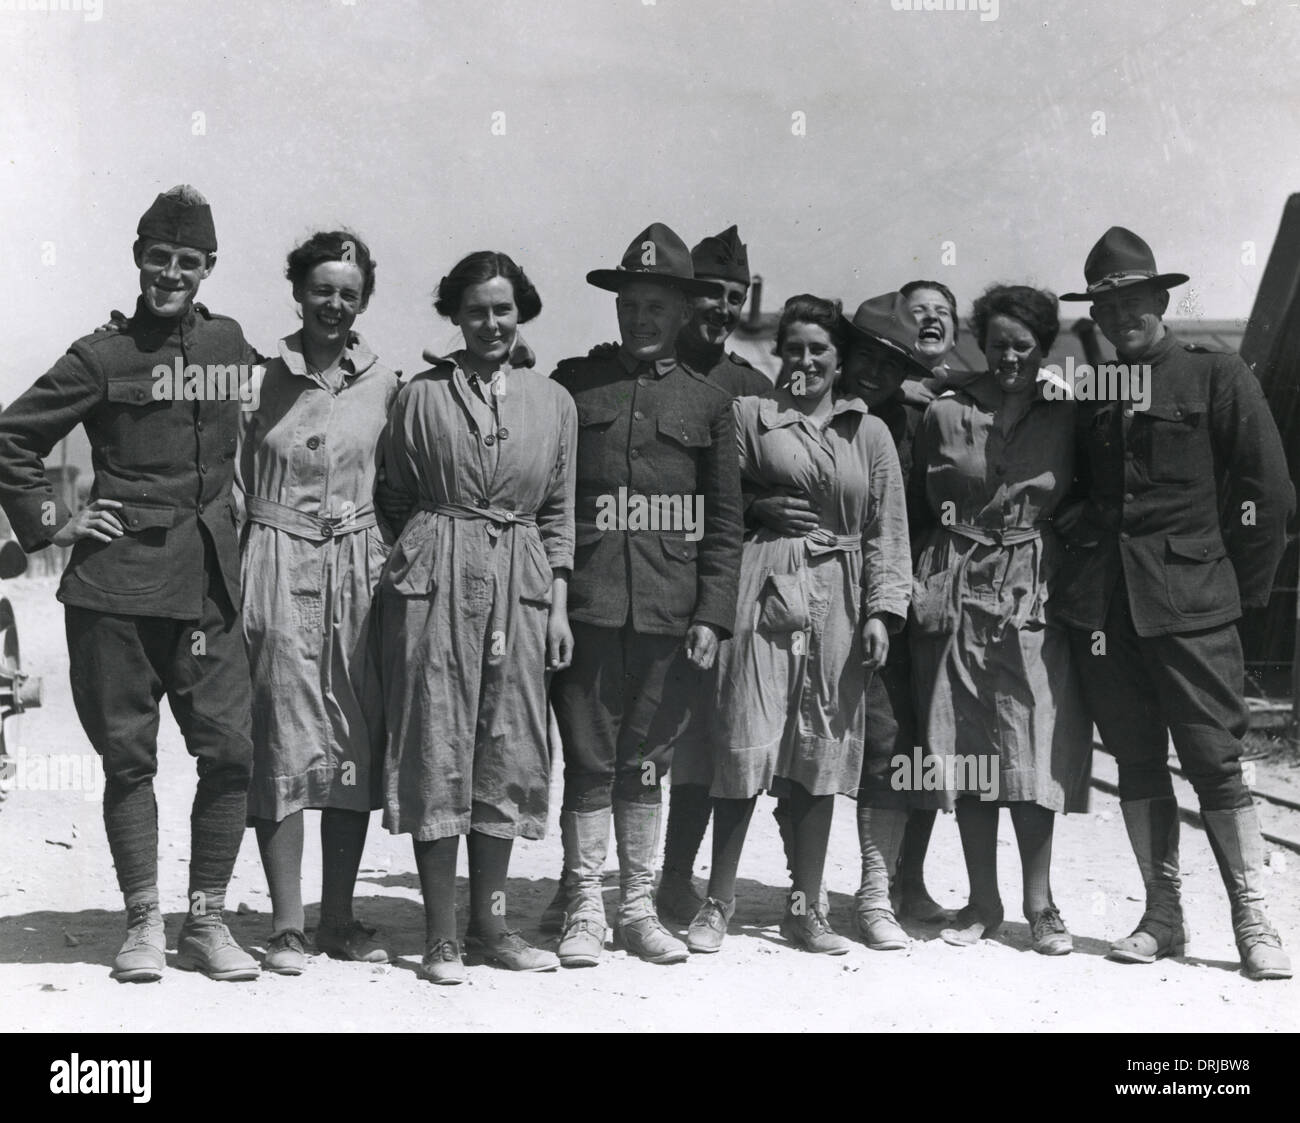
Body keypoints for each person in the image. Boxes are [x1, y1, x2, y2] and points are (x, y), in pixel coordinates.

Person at [0, 185, 260, 981]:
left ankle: (208, 919)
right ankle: (145, 918)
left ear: (208, 266)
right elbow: (12, 436)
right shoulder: (100, 356)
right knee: (128, 761)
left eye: (187, 262)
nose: (170, 274)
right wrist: (54, 523)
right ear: (138, 258)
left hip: (209, 584)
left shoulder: (228, 345)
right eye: (158, 258)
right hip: (115, 590)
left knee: (231, 750)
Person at [1057, 227, 1294, 980]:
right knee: (1135, 759)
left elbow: (1268, 493)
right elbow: (1081, 493)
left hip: (1193, 606)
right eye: (1104, 305)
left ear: (1160, 299)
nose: (1119, 314)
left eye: (1132, 299)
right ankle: (1163, 915)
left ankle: (1253, 918)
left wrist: (1240, 592)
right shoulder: (1093, 390)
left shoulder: (1216, 376)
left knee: (1216, 762)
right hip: (1109, 611)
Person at [538, 225, 768, 932]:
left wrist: (712, 613)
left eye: (656, 309)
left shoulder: (709, 403)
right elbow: (550, 497)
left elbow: (725, 526)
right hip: (589, 605)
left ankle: (635, 905)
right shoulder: (575, 386)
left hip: (671, 612)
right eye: (630, 306)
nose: (641, 320)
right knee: (586, 756)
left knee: (646, 760)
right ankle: (582, 904)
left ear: (681, 315)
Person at [686, 294, 910, 956]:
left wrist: (880, 612)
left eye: (819, 350)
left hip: (839, 595)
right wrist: (759, 503)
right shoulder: (750, 416)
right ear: (779, 352)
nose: (805, 360)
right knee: (745, 739)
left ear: (840, 360)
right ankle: (716, 902)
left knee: (821, 747)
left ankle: (805, 909)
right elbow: (717, 500)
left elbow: (886, 529)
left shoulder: (868, 432)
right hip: (764, 587)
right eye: (795, 348)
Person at [378, 251, 575, 984]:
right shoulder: (419, 395)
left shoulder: (553, 401)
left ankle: (491, 922)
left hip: (522, 581)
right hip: (435, 576)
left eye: (502, 309)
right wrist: (433, 546)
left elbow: (559, 512)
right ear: (454, 317)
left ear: (520, 312)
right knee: (436, 736)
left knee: (508, 744)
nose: (490, 323)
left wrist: (556, 604)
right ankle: (439, 935)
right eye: (475, 310)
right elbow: (392, 492)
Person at [909, 284, 1092, 955]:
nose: (1010, 355)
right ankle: (982, 899)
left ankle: (1040, 903)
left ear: (1044, 346)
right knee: (968, 747)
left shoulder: (1068, 414)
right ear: (980, 341)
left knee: (1032, 743)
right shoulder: (945, 409)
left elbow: (1089, 498)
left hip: (1031, 590)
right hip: (958, 586)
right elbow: (915, 499)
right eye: (998, 342)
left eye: (1024, 344)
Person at [239, 230, 399, 975]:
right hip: (274, 560)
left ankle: (339, 917)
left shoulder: (385, 382)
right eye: (321, 288)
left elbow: (401, 481)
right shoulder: (257, 377)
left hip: (358, 570)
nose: (334, 303)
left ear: (362, 299)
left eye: (348, 291)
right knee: (280, 731)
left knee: (350, 737)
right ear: (297, 291)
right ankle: (287, 925)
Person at [835, 293, 942, 948]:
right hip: (815, 595)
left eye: (891, 360)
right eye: (866, 354)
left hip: (893, 606)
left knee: (897, 742)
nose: (875, 369)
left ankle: (881, 886)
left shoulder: (918, 423)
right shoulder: (807, 407)